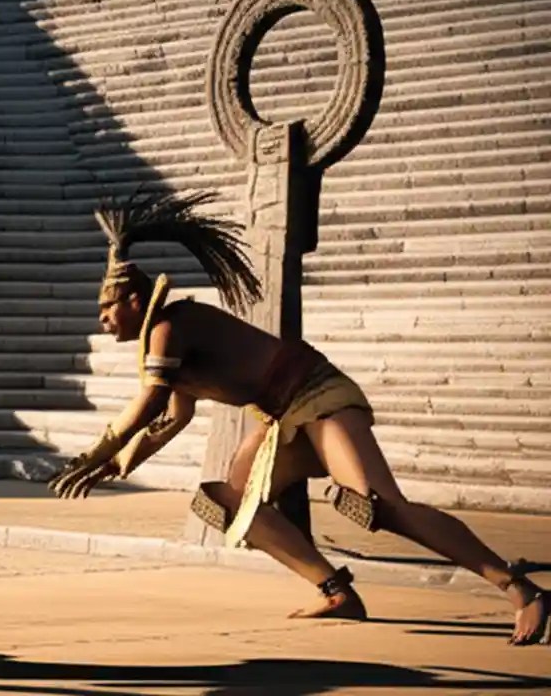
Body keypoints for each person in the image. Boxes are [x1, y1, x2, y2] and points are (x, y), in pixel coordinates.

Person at [48, 188, 548, 646]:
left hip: (315, 393)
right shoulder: (163, 344)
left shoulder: (171, 327)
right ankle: (335, 591)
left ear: (135, 301)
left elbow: (152, 406)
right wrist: (119, 463)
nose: (103, 319)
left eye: (108, 309)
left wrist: (99, 451)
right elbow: (173, 417)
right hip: (277, 419)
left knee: (382, 505)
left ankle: (518, 588)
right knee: (226, 503)